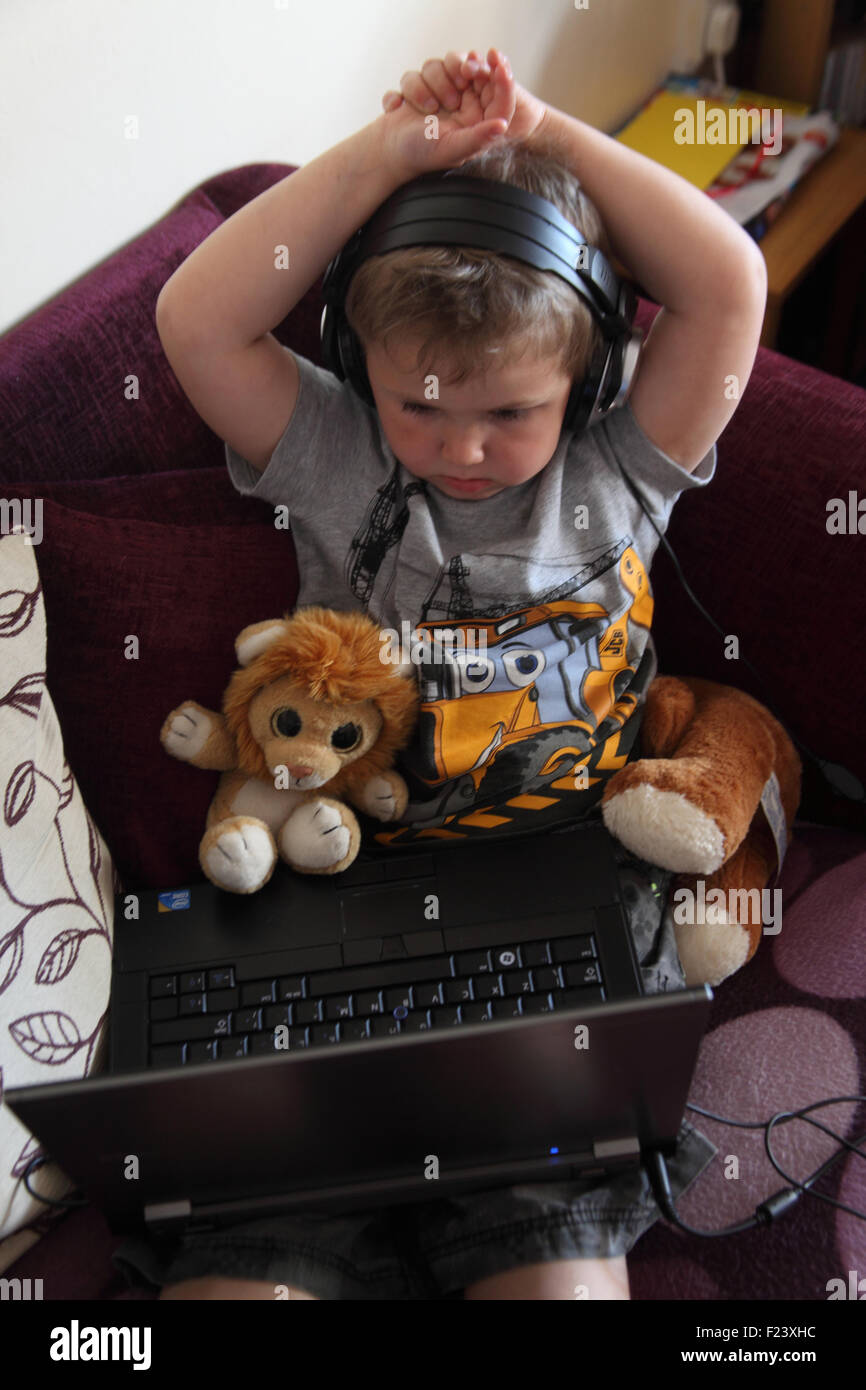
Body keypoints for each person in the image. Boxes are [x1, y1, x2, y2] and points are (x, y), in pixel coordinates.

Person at [121, 46, 767, 1301]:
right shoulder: (331, 455)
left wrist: (541, 131)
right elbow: (193, 320)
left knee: (556, 1275)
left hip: (557, 906)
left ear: (581, 391)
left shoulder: (620, 471)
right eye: (420, 407)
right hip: (334, 900)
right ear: (357, 366)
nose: (462, 449)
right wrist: (384, 157)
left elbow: (727, 283)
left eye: (509, 414)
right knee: (246, 1266)